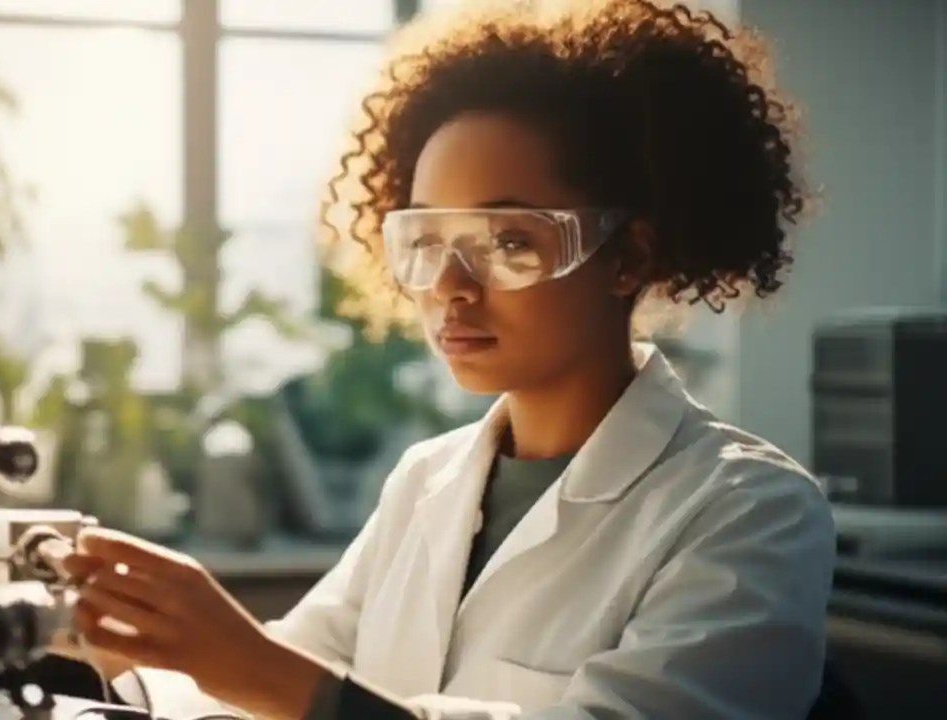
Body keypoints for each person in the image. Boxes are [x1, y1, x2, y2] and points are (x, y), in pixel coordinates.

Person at [60, 1, 836, 717]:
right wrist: (107, 652)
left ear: (626, 257)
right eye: (427, 243)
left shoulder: (749, 510)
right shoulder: (429, 479)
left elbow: (285, 685)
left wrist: (250, 665)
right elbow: (284, 676)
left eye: (508, 242)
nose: (450, 288)